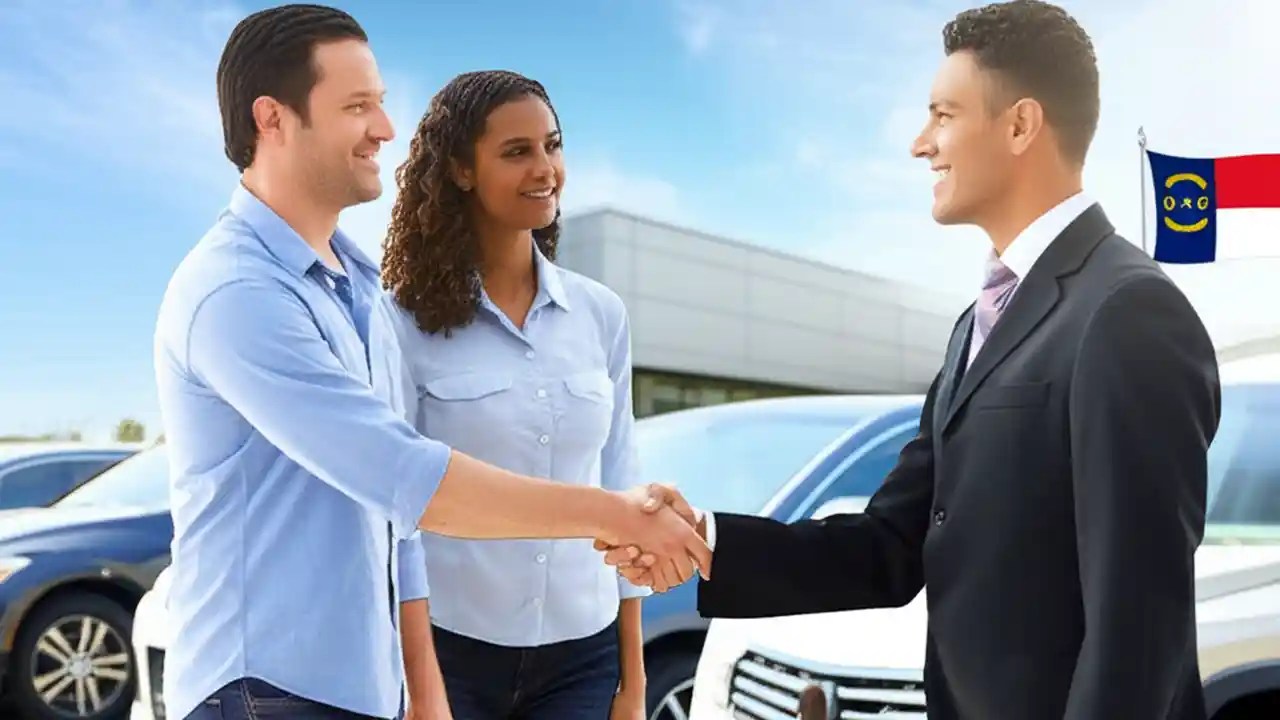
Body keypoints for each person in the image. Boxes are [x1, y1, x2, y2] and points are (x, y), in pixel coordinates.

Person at [604, 2, 1221, 719]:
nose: (920, 144)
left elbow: (1137, 628)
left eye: (943, 115)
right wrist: (704, 539)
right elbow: (888, 547)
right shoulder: (979, 323)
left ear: (1020, 125)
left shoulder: (1128, 313)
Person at [153, 6, 707, 720]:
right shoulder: (238, 294)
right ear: (273, 119)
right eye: (358, 106)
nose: (384, 128)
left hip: (361, 690)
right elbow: (408, 478)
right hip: (263, 693)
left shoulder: (353, 289)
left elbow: (397, 528)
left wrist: (421, 695)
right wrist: (619, 517)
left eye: (381, 104)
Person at [367, 69, 652, 720]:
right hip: (451, 655)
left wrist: (631, 683)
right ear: (462, 170)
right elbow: (397, 515)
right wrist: (421, 688)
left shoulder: (601, 315)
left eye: (552, 146)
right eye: (517, 151)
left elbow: (622, 484)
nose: (545, 168)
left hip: (585, 657)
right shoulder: (399, 323)